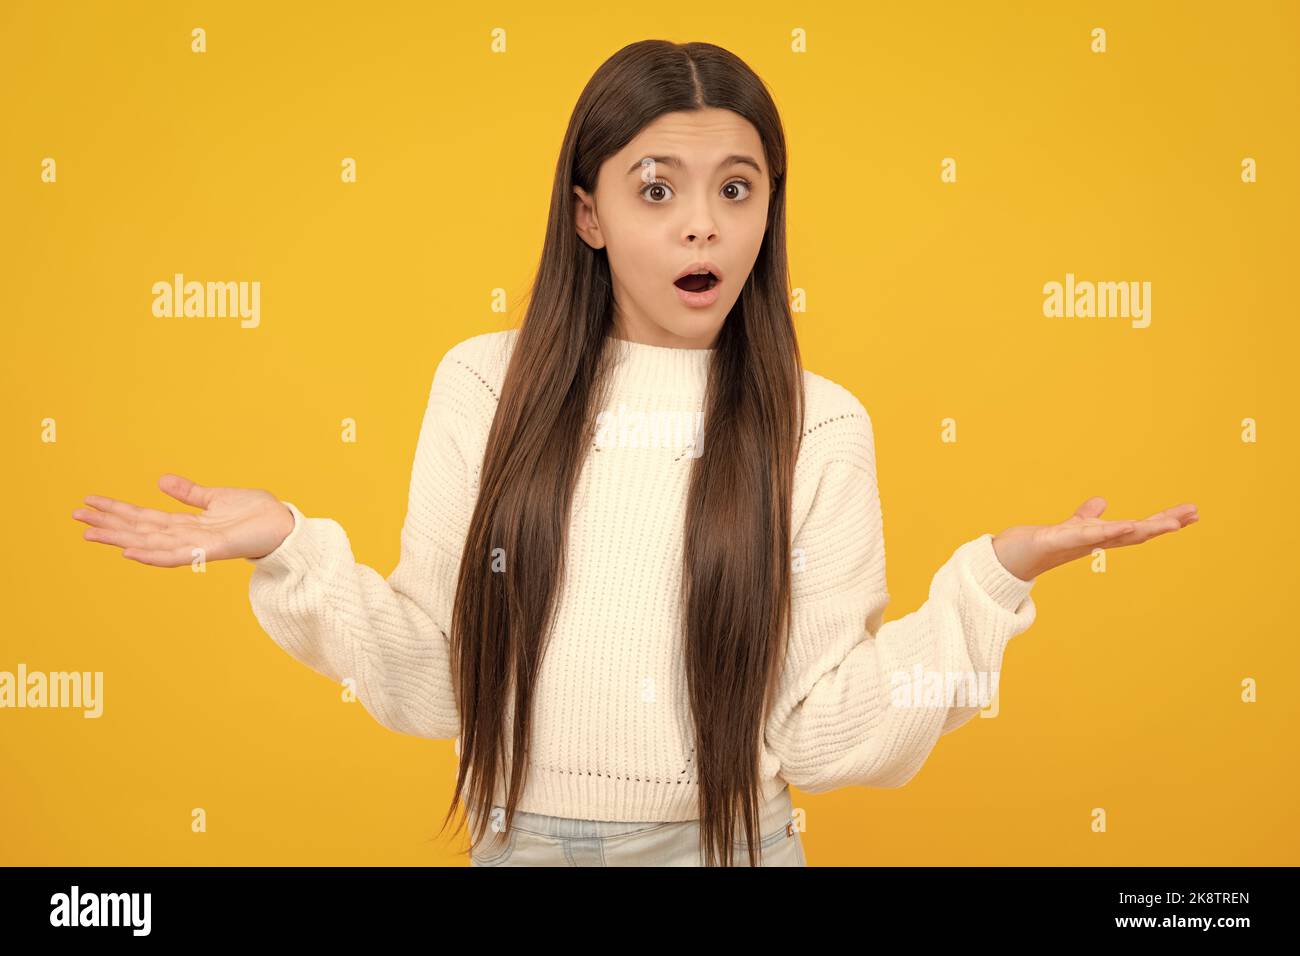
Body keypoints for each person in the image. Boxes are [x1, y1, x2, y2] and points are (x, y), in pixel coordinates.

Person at [73, 39, 1198, 867]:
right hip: (524, 847)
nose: (701, 224)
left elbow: (824, 725)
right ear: (589, 214)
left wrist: (992, 580)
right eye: (656, 189)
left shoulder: (819, 424)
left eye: (735, 189)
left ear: (767, 213)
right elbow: (436, 677)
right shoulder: (485, 384)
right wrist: (290, 548)